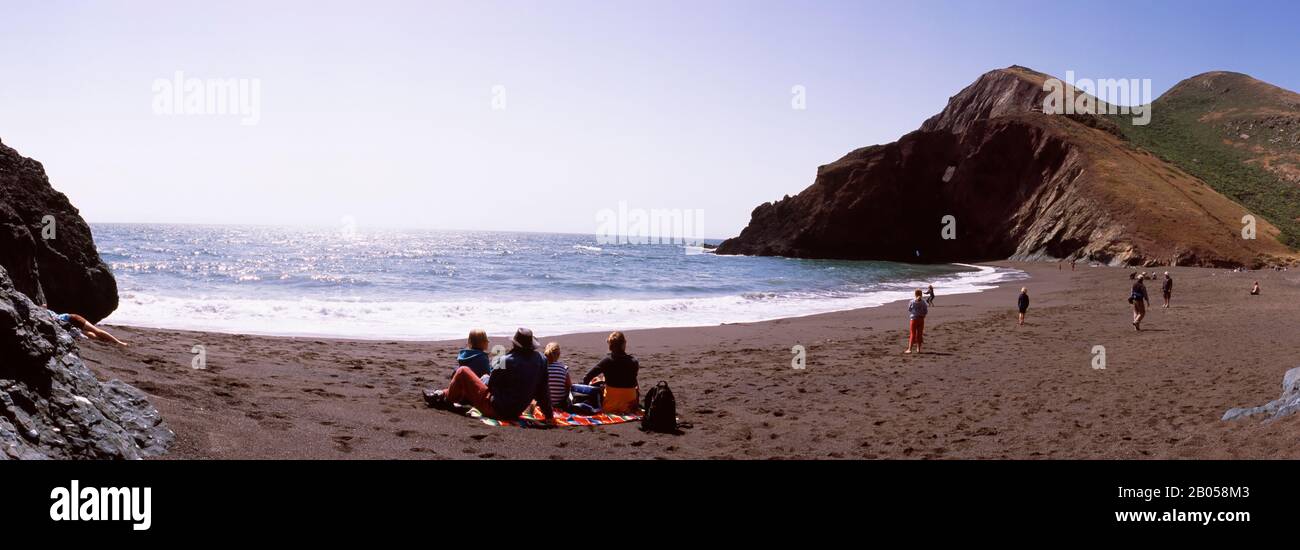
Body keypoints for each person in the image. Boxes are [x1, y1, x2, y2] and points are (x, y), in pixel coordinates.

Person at [425, 328, 554, 423]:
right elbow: (543, 391)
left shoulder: (505, 360)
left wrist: (485, 378)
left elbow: (491, 386)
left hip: (497, 409)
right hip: (516, 411)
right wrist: (549, 415)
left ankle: (446, 399)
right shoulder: (541, 360)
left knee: (463, 371)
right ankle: (440, 394)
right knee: (476, 379)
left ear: (515, 344)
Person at [581, 331, 640, 414]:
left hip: (610, 406)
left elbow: (587, 377)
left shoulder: (607, 361)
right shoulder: (634, 361)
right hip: (630, 405)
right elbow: (633, 381)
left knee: (596, 382)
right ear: (624, 343)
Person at [45, 306, 127, 346]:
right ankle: (109, 341)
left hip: (71, 319)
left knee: (95, 331)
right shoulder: (43, 314)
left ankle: (118, 342)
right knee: (90, 334)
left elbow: (44, 306)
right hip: (67, 324)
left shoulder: (41, 313)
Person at [542, 342, 572, 412]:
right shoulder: (563, 368)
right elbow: (569, 386)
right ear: (559, 355)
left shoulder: (542, 367)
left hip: (544, 403)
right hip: (559, 403)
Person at [903, 289, 927, 354]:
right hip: (921, 319)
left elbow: (909, 309)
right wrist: (923, 315)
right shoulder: (923, 302)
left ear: (915, 294)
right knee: (919, 334)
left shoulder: (912, 301)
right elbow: (926, 311)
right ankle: (918, 349)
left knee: (912, 334)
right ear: (921, 294)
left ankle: (910, 349)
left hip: (914, 319)